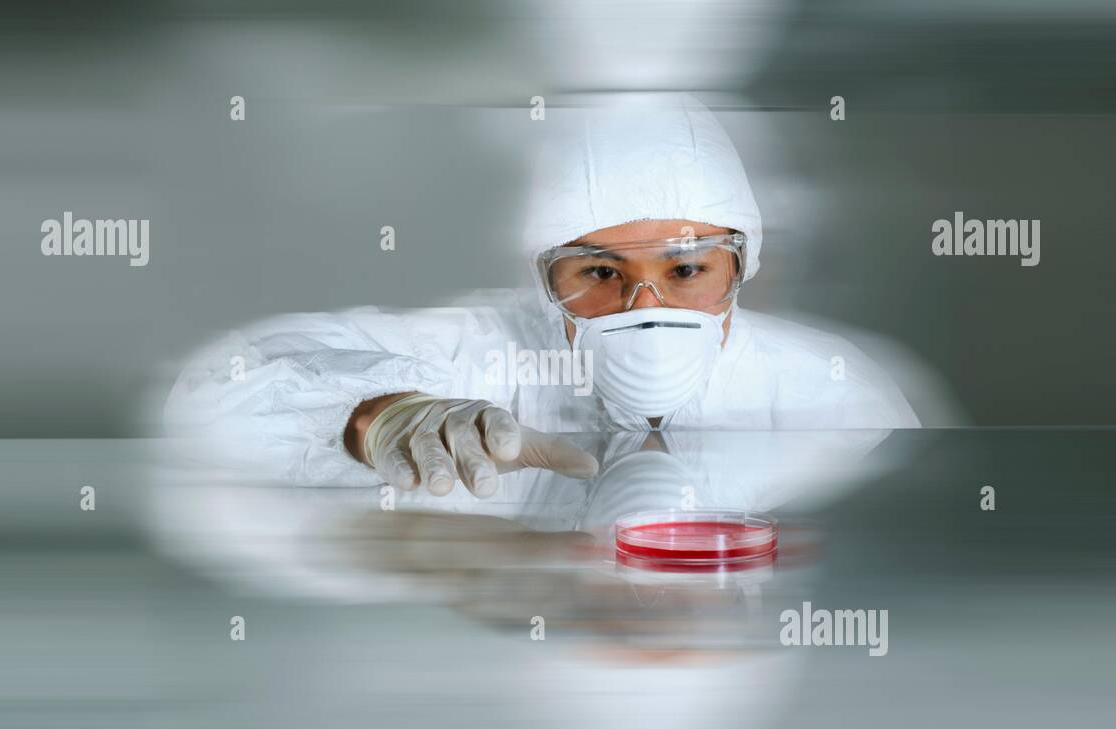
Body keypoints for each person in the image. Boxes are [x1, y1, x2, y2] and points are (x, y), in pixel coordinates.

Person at [164, 94, 919, 496]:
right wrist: (376, 413)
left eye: (688, 270)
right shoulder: (486, 350)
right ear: (543, 281)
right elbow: (222, 386)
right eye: (597, 273)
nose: (643, 306)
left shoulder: (833, 389)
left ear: (741, 267)